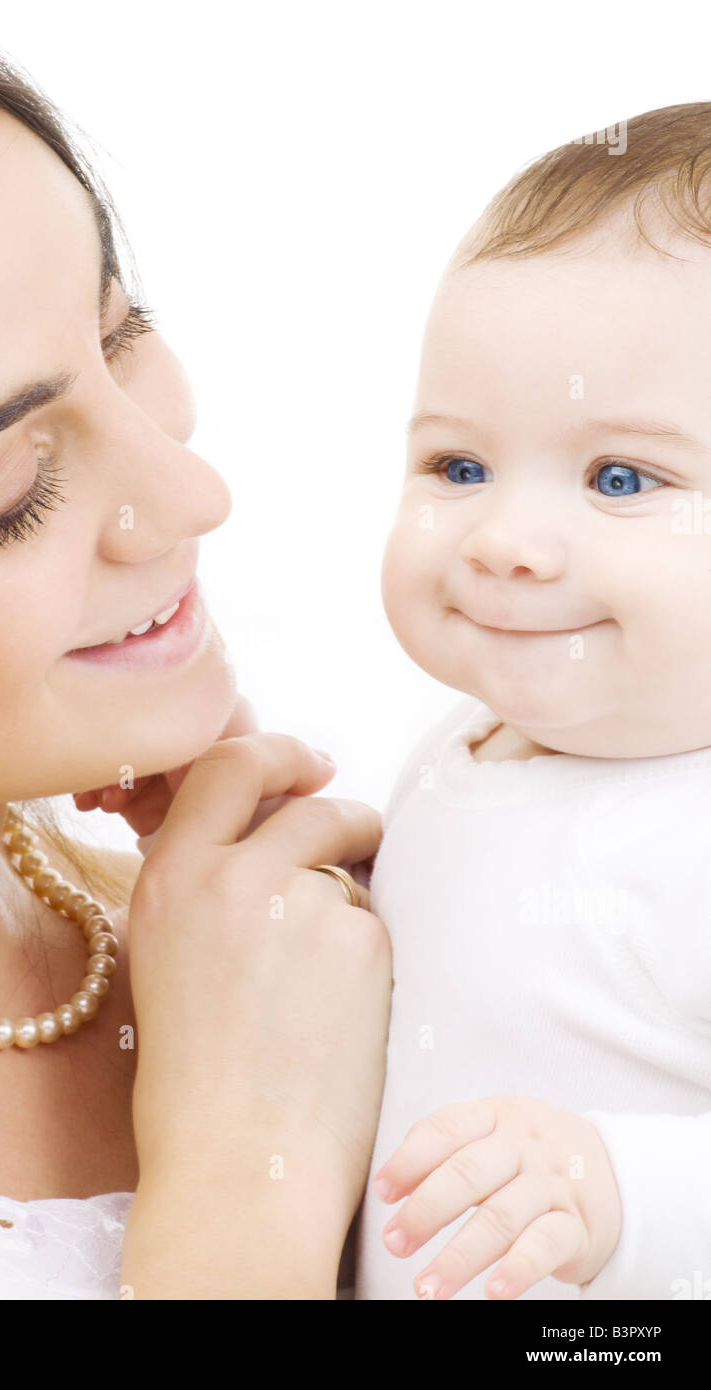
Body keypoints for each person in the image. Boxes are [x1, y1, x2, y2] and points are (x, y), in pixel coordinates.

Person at [0, 0, 391, 1300]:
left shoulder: (255, 919)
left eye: (120, 331)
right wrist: (236, 1173)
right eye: (15, 493)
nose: (194, 495)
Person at [355, 102, 711, 1300]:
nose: (504, 538)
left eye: (619, 477)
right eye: (457, 467)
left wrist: (620, 1187)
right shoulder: (453, 751)